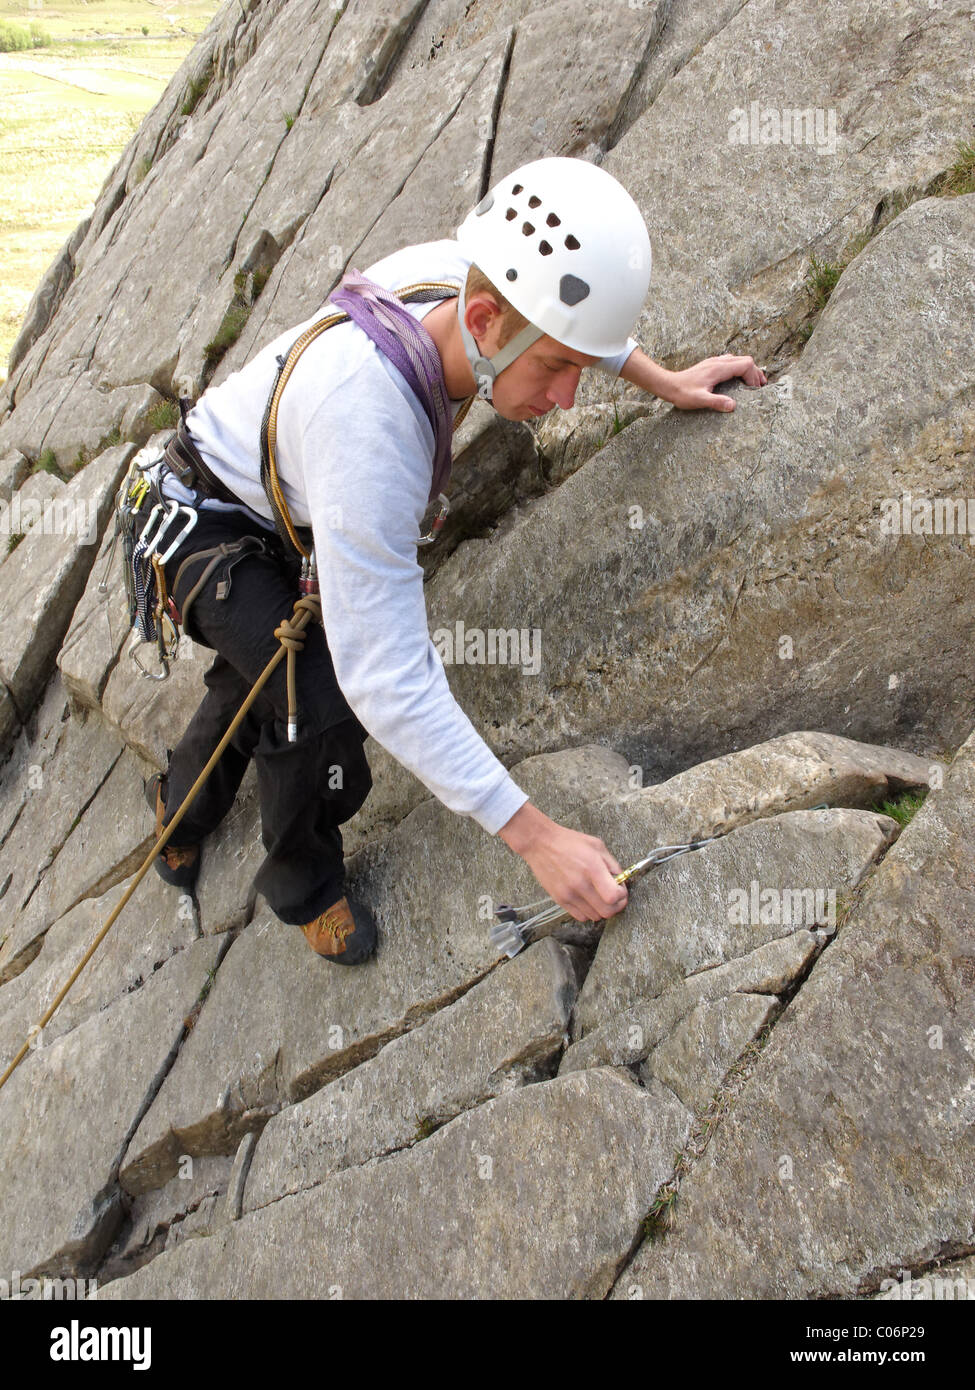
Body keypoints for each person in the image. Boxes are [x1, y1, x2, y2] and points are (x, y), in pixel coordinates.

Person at [141, 156, 767, 966]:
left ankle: (179, 808)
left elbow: (555, 327)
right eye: (554, 372)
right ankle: (301, 883)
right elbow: (388, 677)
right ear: (480, 322)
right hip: (202, 523)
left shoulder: (461, 279)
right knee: (311, 695)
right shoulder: (370, 431)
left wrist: (666, 380)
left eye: (575, 367)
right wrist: (535, 838)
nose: (568, 397)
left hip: (276, 494)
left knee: (256, 669)